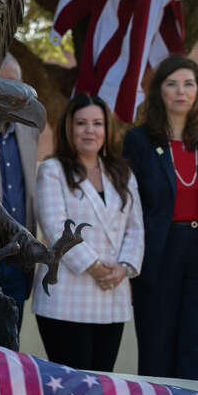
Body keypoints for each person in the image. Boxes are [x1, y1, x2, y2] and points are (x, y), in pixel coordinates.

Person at [123, 54, 198, 380]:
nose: (181, 91)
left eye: (188, 84)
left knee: (196, 352)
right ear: (159, 91)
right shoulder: (137, 141)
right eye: (172, 83)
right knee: (156, 350)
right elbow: (127, 208)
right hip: (157, 256)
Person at [31, 93, 143, 372]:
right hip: (66, 295)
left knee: (102, 388)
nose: (90, 130)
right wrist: (93, 267)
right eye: (81, 123)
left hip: (112, 294)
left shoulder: (122, 173)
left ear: (107, 129)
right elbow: (56, 228)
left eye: (97, 123)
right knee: (71, 392)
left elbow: (136, 228)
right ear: (70, 129)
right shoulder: (52, 170)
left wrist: (124, 268)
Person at [0, 53, 43, 329]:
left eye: (17, 84)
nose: (12, 92)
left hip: (19, 259)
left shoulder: (28, 131)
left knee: (12, 352)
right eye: (3, 83)